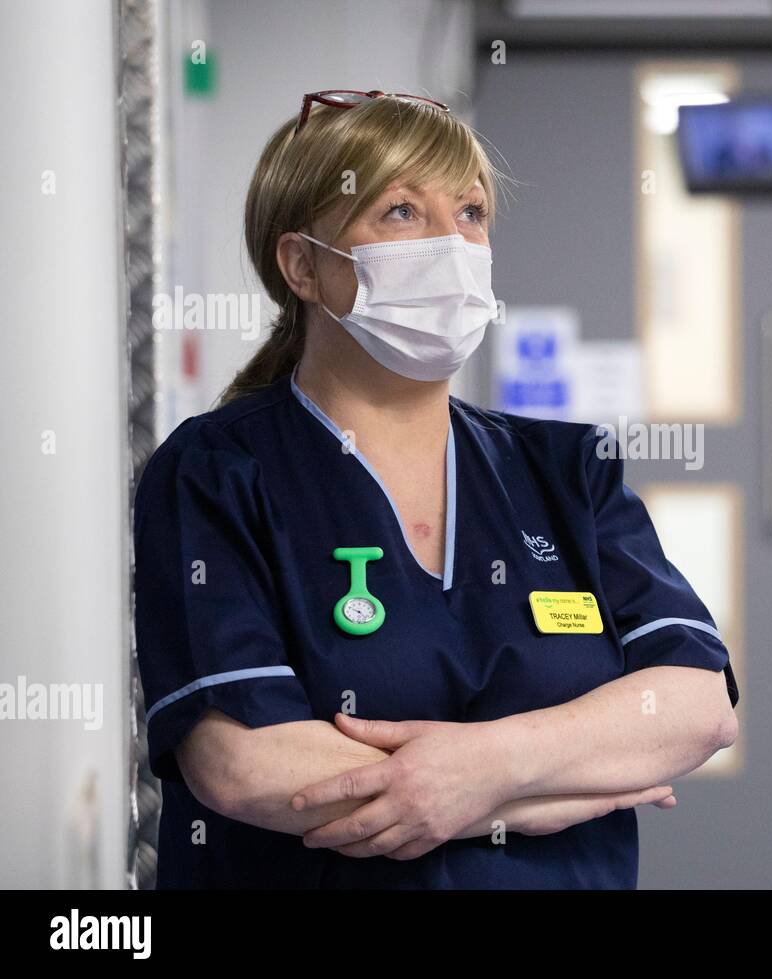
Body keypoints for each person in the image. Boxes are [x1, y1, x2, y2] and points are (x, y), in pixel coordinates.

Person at [133, 90, 739, 888]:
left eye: (471, 213)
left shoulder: (564, 470)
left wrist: (485, 772)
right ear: (303, 265)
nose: (451, 244)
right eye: (400, 212)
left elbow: (695, 704)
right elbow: (243, 760)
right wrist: (539, 794)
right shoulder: (217, 471)